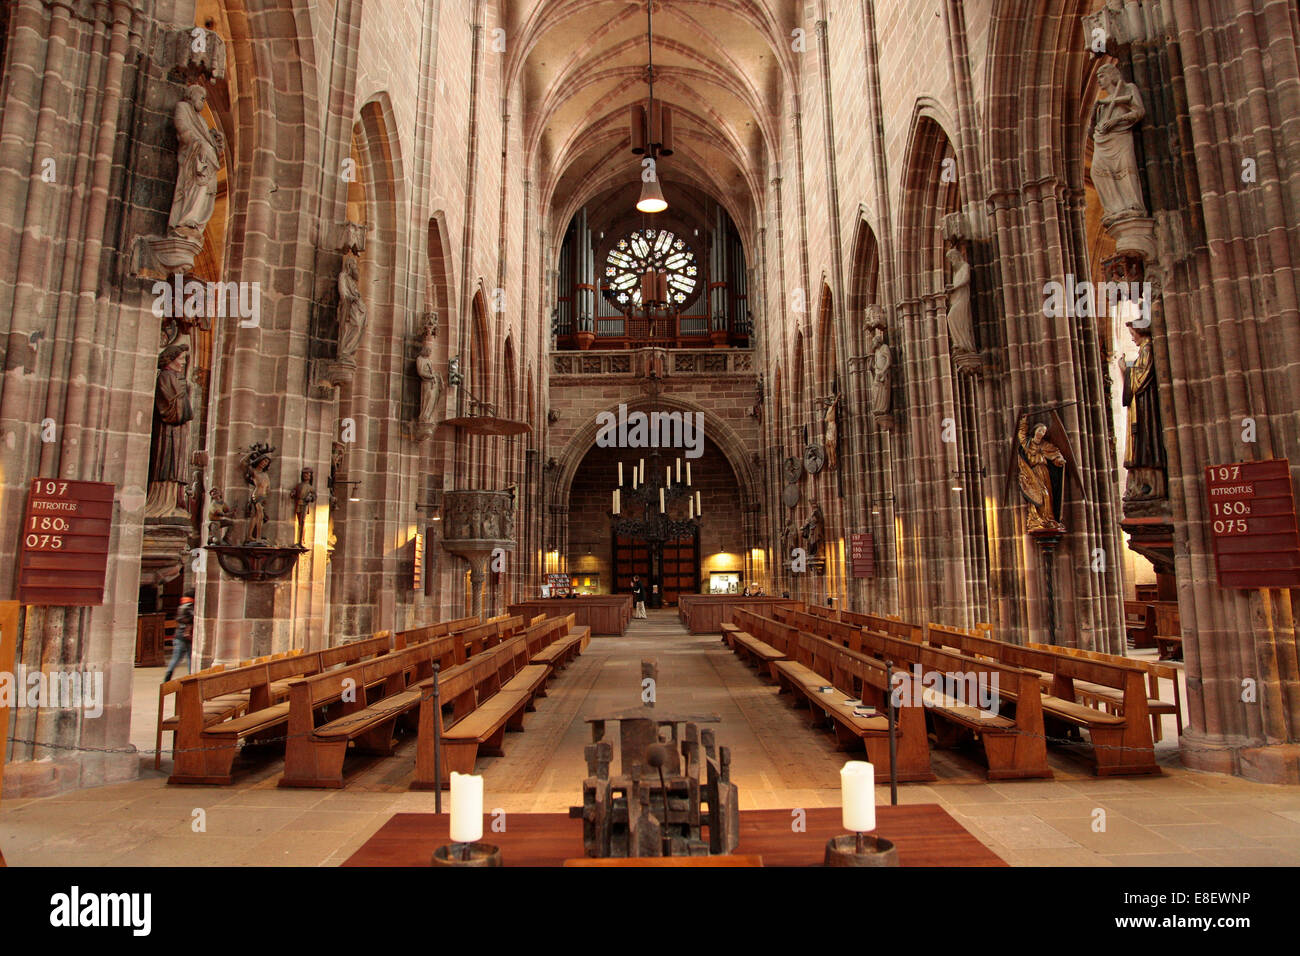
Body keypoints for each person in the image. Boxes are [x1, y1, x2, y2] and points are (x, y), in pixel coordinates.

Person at [164, 590, 195, 682]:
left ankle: (167, 677)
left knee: (176, 657)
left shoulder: (181, 606)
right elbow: (192, 617)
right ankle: (191, 676)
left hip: (179, 635)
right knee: (190, 657)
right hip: (186, 635)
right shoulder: (190, 606)